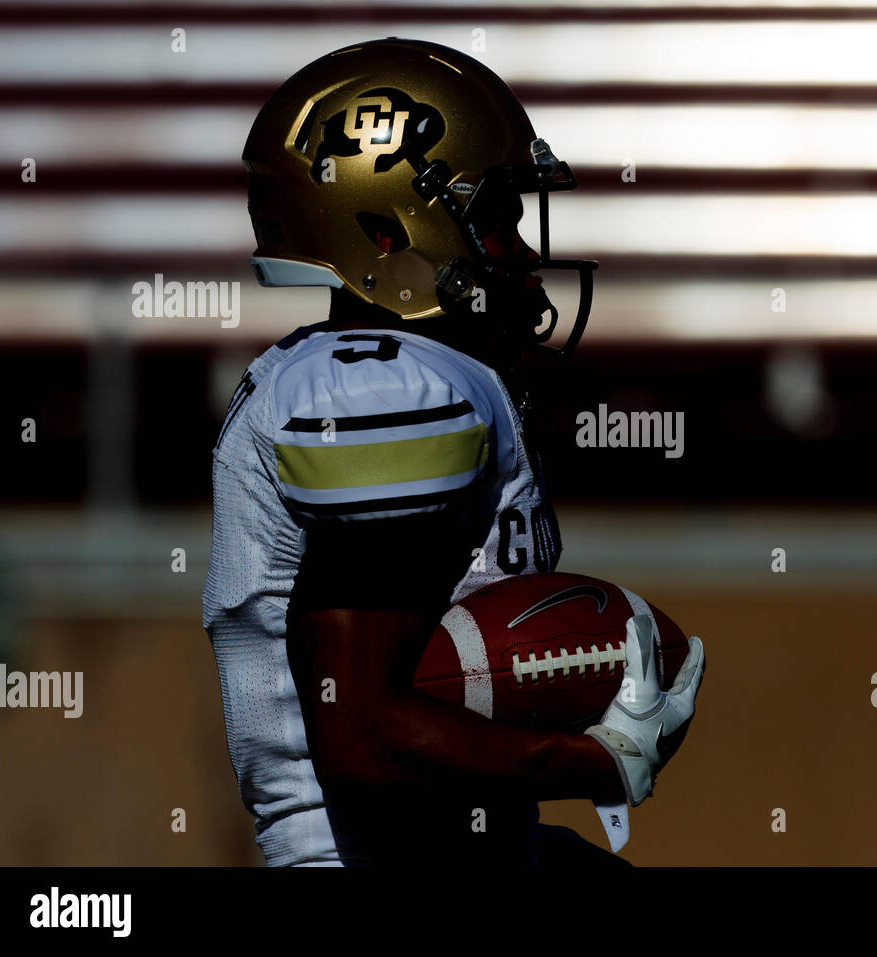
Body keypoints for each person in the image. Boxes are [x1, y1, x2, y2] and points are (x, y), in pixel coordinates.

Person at [201, 38, 703, 867]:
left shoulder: (404, 375)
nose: (525, 255)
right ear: (390, 231)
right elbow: (364, 734)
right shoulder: (384, 387)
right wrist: (597, 759)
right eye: (498, 218)